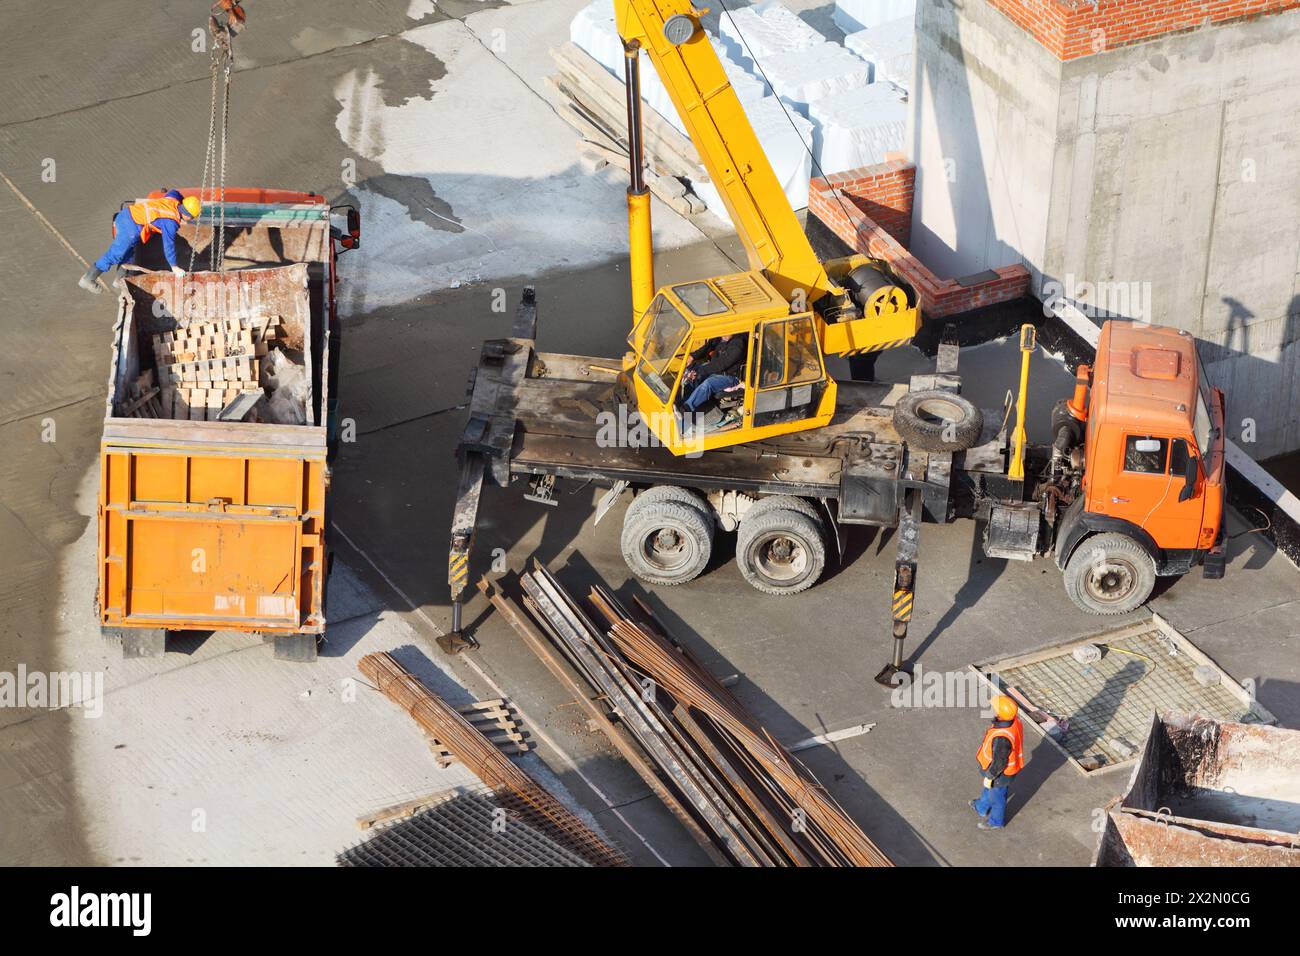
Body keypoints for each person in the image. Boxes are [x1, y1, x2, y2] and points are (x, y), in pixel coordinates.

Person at [79, 190, 202, 293]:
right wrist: (174, 267)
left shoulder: (173, 200)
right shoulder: (171, 222)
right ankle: (88, 279)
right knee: (116, 254)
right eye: (191, 217)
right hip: (131, 224)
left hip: (129, 214)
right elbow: (168, 245)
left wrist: (184, 200)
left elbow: (173, 192)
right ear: (187, 214)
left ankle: (119, 280)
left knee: (130, 251)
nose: (191, 220)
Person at [971, 694, 1024, 830]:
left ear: (1000, 713)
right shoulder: (1014, 722)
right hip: (1001, 772)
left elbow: (999, 762)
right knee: (989, 789)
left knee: (997, 797)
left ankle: (995, 822)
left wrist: (990, 775)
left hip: (1000, 774)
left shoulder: (1002, 737)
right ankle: (981, 806)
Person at [680, 334, 745, 413]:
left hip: (729, 376)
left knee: (708, 384)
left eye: (726, 333)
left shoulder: (738, 344)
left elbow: (721, 364)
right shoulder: (721, 338)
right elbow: (708, 347)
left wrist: (699, 372)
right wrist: (693, 356)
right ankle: (687, 402)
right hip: (717, 371)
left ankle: (686, 409)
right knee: (693, 375)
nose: (723, 335)